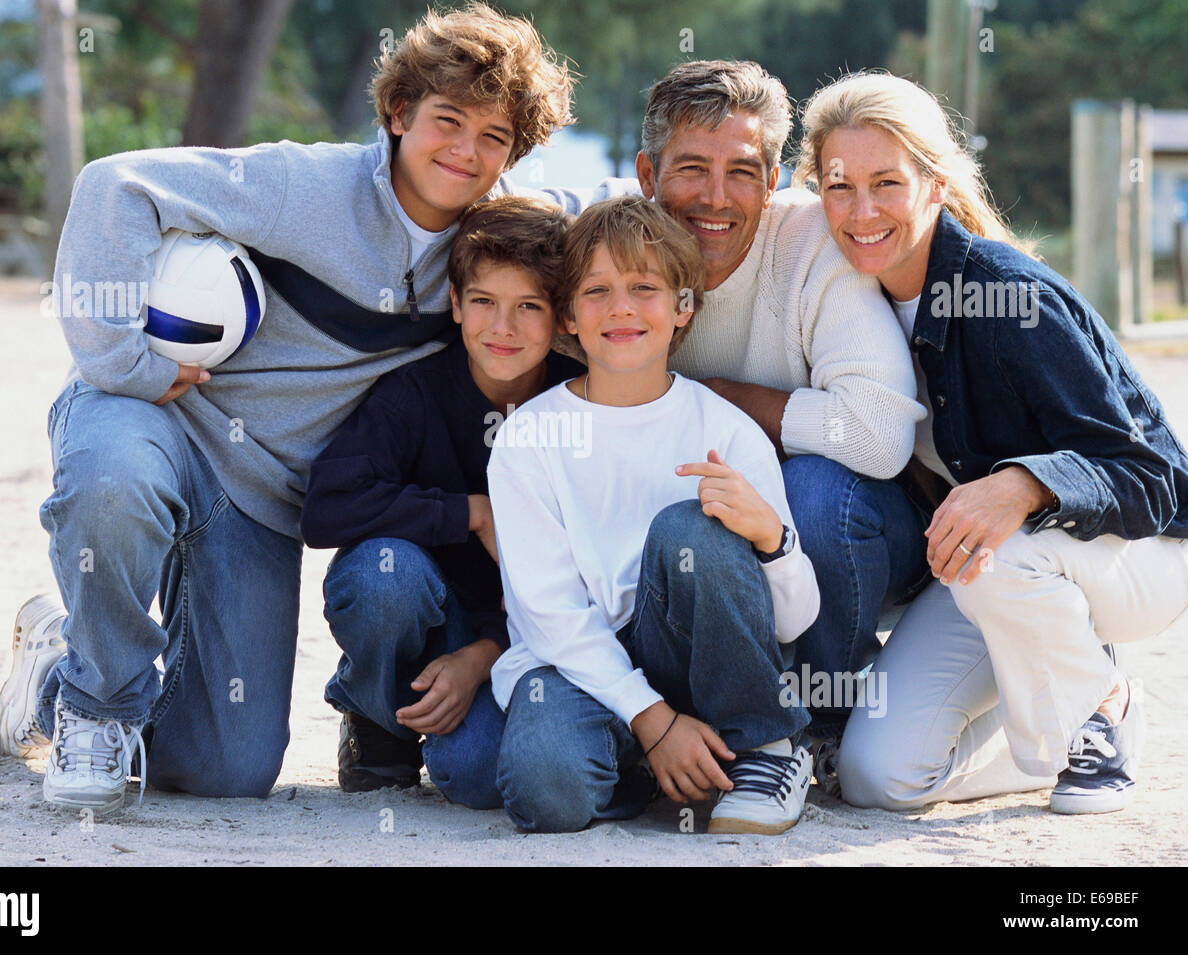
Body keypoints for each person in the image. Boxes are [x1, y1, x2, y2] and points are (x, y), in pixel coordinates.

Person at [0, 4, 626, 817]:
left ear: (515, 154)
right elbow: (117, 183)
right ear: (398, 114)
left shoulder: (496, 238)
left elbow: (627, 207)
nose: (466, 152)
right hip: (159, 421)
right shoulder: (305, 184)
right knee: (113, 487)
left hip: (260, 500)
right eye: (447, 121)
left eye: (494, 137)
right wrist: (126, 362)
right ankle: (95, 704)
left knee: (231, 768)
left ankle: (46, 672)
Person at [794, 71, 1188, 813]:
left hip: (1139, 556)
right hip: (994, 569)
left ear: (935, 186)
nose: (861, 210)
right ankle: (1047, 711)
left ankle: (1099, 707)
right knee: (881, 776)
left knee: (992, 542)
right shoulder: (838, 299)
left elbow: (1152, 477)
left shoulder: (1009, 299)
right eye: (838, 186)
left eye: (888, 183)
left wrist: (1026, 482)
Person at [487, 196, 821, 834]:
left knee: (687, 529)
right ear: (567, 316)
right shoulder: (529, 435)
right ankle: (651, 762)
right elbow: (549, 616)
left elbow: (795, 619)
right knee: (544, 789)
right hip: (575, 663)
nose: (621, 308)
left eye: (644, 288)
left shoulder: (726, 430)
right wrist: (653, 720)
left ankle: (764, 750)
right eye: (597, 290)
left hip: (689, 659)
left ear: (683, 309)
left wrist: (772, 540)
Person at [634, 60, 927, 746]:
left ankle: (825, 718)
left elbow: (881, 436)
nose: (715, 197)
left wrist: (719, 401)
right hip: (703, 533)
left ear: (771, 183)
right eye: (689, 170)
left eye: (741, 171)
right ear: (647, 177)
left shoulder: (807, 242)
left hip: (863, 532)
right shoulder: (615, 252)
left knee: (818, 486)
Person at [299, 196, 580, 808]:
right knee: (383, 575)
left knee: (475, 776)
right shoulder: (414, 394)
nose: (502, 328)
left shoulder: (578, 405)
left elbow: (591, 578)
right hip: (421, 606)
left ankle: (447, 700)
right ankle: (378, 713)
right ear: (454, 304)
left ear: (562, 316)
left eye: (528, 307)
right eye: (483, 302)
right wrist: (470, 512)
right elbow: (327, 508)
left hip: (528, 632)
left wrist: (482, 656)